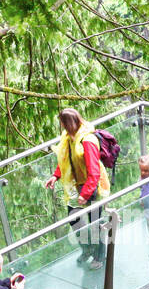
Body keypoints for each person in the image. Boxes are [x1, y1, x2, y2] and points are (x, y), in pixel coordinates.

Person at [45, 108, 111, 270]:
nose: (61, 125)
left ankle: (99, 256)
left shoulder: (87, 140)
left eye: (62, 122)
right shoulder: (68, 138)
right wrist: (55, 176)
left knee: (95, 223)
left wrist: (86, 193)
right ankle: (87, 249)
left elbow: (94, 172)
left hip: (92, 187)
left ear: (67, 122)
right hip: (75, 187)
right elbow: (66, 160)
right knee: (74, 219)